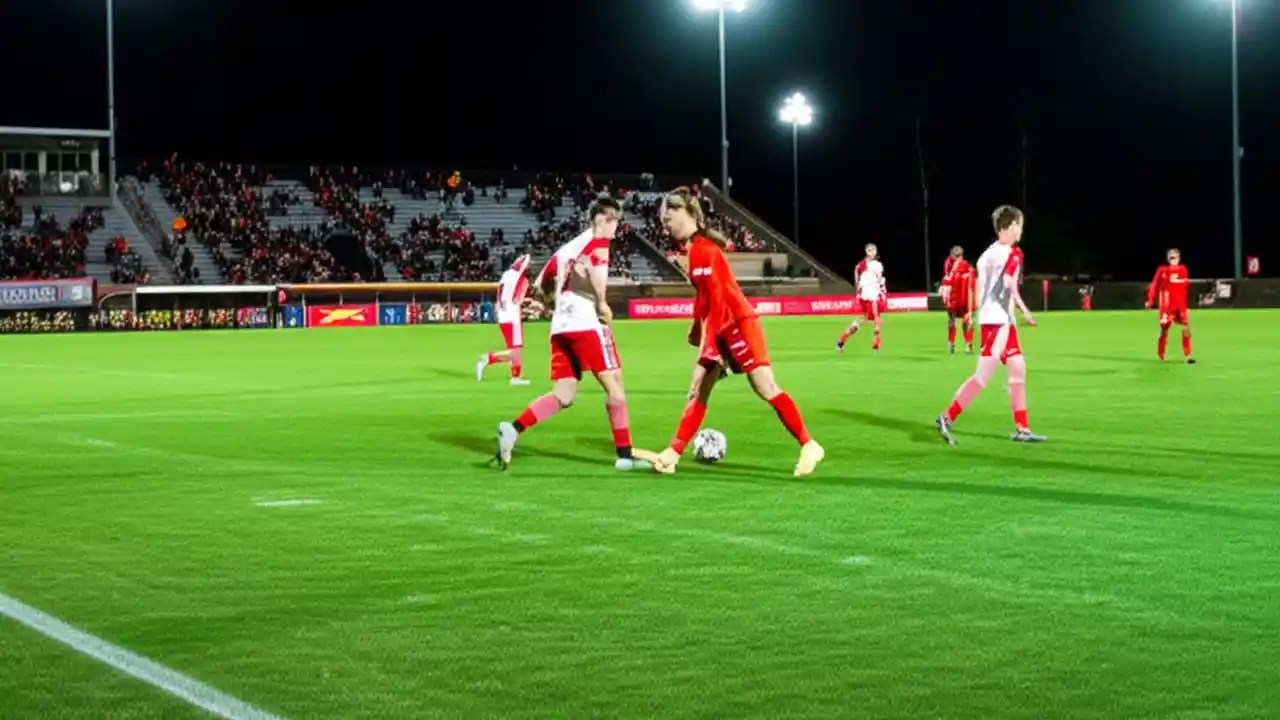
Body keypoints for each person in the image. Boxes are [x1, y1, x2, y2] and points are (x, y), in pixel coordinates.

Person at [634, 187, 824, 476]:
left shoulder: (705, 251)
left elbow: (721, 301)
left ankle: (810, 445)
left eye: (668, 215)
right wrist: (697, 329)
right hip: (722, 329)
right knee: (698, 393)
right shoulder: (693, 251)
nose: (665, 222)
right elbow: (706, 300)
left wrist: (708, 354)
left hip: (738, 325)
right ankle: (672, 454)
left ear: (686, 213)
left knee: (765, 387)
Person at [496, 196, 648, 471]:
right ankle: (625, 456)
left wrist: (545, 303)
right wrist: (602, 302)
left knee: (563, 395)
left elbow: (543, 279)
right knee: (615, 386)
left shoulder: (569, 246)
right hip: (585, 323)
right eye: (613, 219)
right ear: (600, 219)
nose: (616, 226)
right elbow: (597, 273)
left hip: (560, 329)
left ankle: (514, 428)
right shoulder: (599, 243)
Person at [935, 205, 1046, 445]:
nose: (1021, 232)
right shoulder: (1012, 253)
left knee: (1018, 367)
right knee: (983, 375)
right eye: (1020, 226)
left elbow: (982, 288)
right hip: (999, 322)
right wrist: (1026, 312)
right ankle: (947, 416)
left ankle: (1022, 428)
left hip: (993, 320)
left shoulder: (987, 254)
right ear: (1011, 226)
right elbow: (1009, 284)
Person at [476, 254, 532, 385]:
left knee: (515, 349)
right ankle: (489, 359)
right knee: (516, 350)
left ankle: (514, 376)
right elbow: (517, 299)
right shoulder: (520, 278)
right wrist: (530, 306)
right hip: (513, 316)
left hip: (503, 315)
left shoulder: (506, 275)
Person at [1145, 248, 1195, 364]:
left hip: (1180, 306)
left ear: (1179, 258)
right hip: (1167, 306)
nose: (1174, 260)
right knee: (1164, 330)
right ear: (1168, 259)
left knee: (1186, 329)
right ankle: (1161, 354)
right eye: (1171, 258)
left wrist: (1185, 306)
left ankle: (1188, 356)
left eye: (1176, 257)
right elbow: (1154, 285)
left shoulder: (1183, 269)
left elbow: (1185, 288)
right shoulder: (1162, 270)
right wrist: (1150, 300)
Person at [836, 243, 886, 353]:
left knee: (865, 319)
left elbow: (859, 271)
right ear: (866, 251)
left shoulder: (869, 264)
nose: (871, 252)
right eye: (869, 250)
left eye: (873, 250)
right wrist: (858, 285)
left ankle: (842, 339)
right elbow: (878, 278)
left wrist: (858, 287)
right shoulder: (868, 264)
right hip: (869, 293)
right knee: (877, 316)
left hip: (867, 293)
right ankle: (876, 341)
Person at [942, 245, 977, 354]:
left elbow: (970, 290)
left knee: (967, 320)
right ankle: (951, 343)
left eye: (955, 258)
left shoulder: (968, 270)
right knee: (951, 320)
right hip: (953, 298)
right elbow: (947, 282)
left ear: (960, 257)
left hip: (964, 299)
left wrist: (970, 310)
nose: (953, 261)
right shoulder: (948, 265)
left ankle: (968, 343)